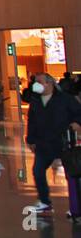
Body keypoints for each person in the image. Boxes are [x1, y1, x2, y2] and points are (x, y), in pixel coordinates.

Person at [23, 73, 81, 220]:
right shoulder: (35, 101)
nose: (36, 84)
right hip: (43, 144)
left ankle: (76, 206)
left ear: (49, 84)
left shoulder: (64, 99)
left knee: (72, 175)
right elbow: (32, 121)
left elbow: (78, 113)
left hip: (63, 143)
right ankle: (44, 201)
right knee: (38, 171)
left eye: (39, 82)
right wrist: (30, 139)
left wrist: (76, 123)